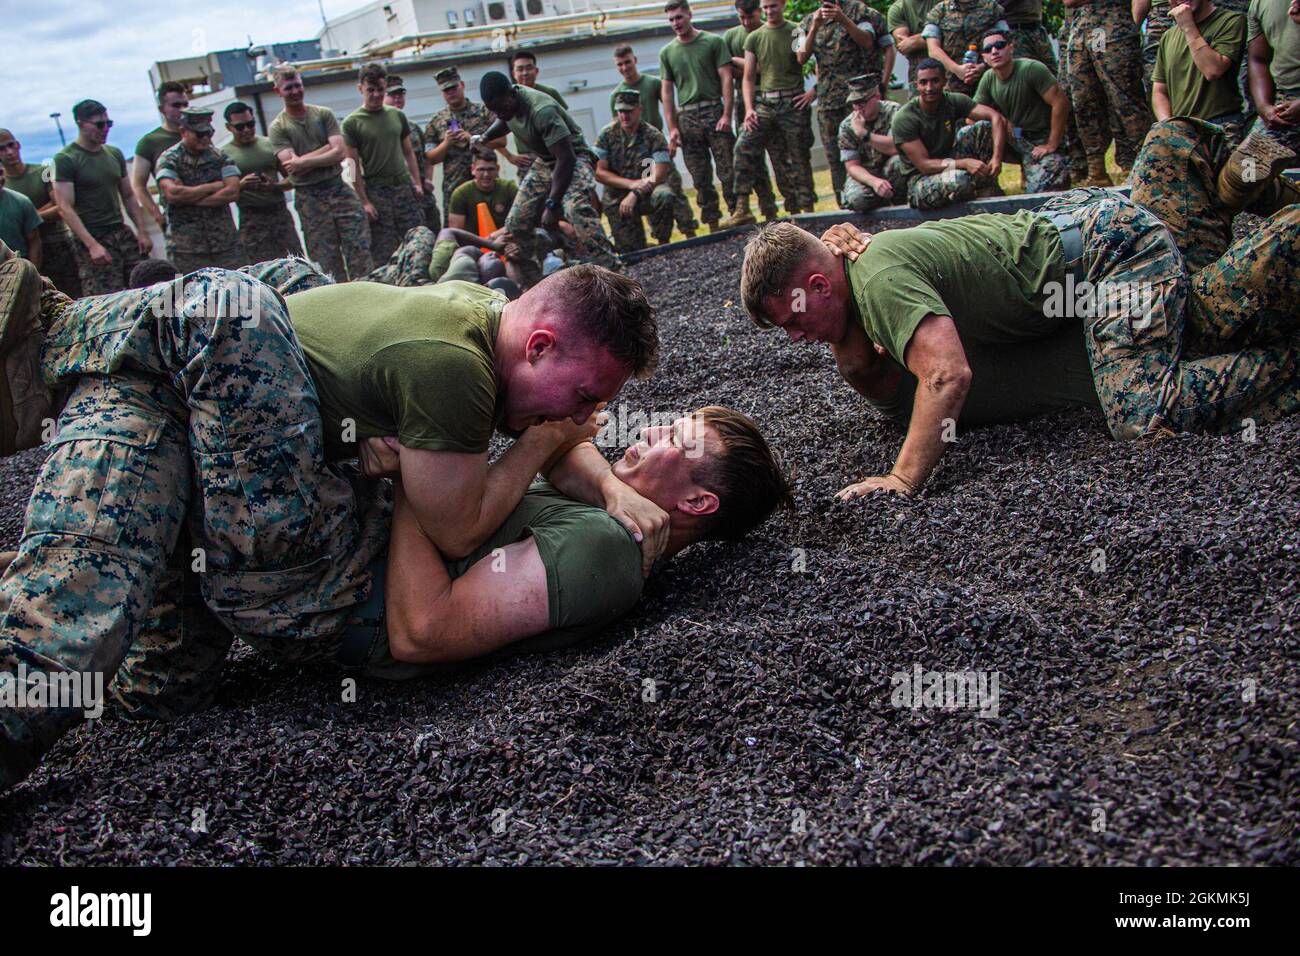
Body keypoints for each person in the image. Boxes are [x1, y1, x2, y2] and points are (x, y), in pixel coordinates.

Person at [0, 244, 663, 788]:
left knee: (158, 696)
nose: (584, 417)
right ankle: (56, 330)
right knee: (239, 306)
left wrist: (608, 484)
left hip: (223, 451)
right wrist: (540, 444)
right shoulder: (455, 366)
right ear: (539, 345)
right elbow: (457, 527)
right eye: (583, 396)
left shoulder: (488, 315)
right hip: (235, 478)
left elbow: (564, 436)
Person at [738, 118, 1299, 500]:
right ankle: (1233, 184)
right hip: (1086, 230)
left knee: (1141, 413)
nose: (796, 337)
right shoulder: (865, 297)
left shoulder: (878, 277)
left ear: (819, 284)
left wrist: (902, 480)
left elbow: (946, 375)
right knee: (1198, 287)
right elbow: (861, 365)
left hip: (1110, 253)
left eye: (793, 319)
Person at [475, 71, 622, 286]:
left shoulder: (542, 110)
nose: (499, 114)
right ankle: (534, 281)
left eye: (501, 108)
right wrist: (485, 137)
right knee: (516, 222)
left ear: (511, 95)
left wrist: (552, 204)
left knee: (575, 209)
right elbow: (505, 120)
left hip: (573, 156)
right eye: (494, 110)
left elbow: (566, 158)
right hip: (545, 160)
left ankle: (614, 274)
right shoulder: (507, 108)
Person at [268, 66, 373, 280]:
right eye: (289, 88)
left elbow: (340, 152)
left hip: (338, 190)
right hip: (310, 199)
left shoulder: (323, 114)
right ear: (278, 91)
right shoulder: (279, 127)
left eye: (298, 85)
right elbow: (291, 167)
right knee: (326, 264)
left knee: (359, 254)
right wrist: (325, 150)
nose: (296, 91)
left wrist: (303, 160)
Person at [723, 0, 817, 226]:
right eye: (765, 7)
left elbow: (807, 59)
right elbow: (748, 77)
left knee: (797, 158)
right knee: (744, 146)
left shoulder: (795, 30)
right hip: (766, 103)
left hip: (793, 102)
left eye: (773, 6)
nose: (769, 11)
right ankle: (742, 206)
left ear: (782, 5)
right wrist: (749, 109)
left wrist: (813, 91)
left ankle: (806, 211)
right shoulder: (754, 38)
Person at [796, 0, 894, 202]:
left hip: (861, 99)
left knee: (871, 150)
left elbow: (867, 41)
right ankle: (845, 203)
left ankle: (887, 195)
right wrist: (814, 27)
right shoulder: (807, 22)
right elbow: (800, 57)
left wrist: (843, 19)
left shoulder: (861, 12)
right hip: (829, 102)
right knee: (835, 157)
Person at [52, 99, 153, 295]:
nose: (105, 129)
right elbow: (64, 207)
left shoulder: (114, 154)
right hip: (93, 237)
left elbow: (128, 195)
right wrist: (92, 245)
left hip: (121, 233)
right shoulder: (66, 159)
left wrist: (142, 231)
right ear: (81, 124)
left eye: (109, 123)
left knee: (146, 289)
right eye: (99, 124)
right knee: (106, 299)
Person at [660, 0, 737, 230]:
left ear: (689, 15)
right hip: (688, 117)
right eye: (671, 19)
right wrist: (672, 127)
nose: (676, 23)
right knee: (700, 175)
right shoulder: (667, 52)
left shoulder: (713, 42)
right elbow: (667, 92)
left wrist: (726, 114)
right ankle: (712, 222)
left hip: (714, 111)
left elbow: (727, 78)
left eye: (679, 17)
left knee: (728, 169)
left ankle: (737, 215)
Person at [890, 58, 1007, 208]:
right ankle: (969, 202)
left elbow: (995, 117)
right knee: (959, 180)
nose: (929, 88)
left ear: (944, 82)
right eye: (923, 82)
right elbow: (925, 165)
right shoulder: (905, 118)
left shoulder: (952, 101)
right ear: (916, 85)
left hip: (949, 163)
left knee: (983, 128)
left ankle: (987, 185)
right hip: (921, 179)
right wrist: (965, 163)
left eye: (935, 81)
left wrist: (997, 158)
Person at [341, 63, 428, 264]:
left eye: (380, 89)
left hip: (403, 187)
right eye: (370, 90)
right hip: (377, 191)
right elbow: (352, 165)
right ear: (360, 89)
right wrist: (364, 201)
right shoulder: (352, 123)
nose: (376, 95)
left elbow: (409, 152)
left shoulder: (397, 115)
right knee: (385, 251)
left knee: (417, 244)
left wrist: (416, 182)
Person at [1063, 0, 1153, 183]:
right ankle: (1096, 171)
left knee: (1126, 101)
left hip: (1114, 28)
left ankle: (1148, 166)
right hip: (1081, 29)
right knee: (1083, 103)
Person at [974, 29, 1072, 193]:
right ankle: (987, 187)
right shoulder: (988, 78)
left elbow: (1060, 103)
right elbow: (971, 116)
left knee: (1045, 187)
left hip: (1040, 139)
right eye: (988, 49)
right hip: (1016, 137)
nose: (994, 51)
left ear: (1011, 48)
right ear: (984, 57)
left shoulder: (1032, 69)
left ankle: (1035, 168)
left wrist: (1051, 144)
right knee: (977, 129)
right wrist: (998, 119)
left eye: (1000, 45)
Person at [153, 108, 244, 272]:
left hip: (225, 246)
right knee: (184, 288)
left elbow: (232, 191)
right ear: (183, 131)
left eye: (209, 133)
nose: (205, 138)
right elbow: (173, 193)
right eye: (199, 134)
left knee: (238, 287)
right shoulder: (169, 159)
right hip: (186, 250)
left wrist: (189, 198)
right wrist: (213, 186)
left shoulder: (220, 157)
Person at [595, 91, 687, 252]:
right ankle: (636, 245)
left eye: (628, 111)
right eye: (620, 111)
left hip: (647, 189)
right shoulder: (606, 135)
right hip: (617, 196)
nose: (624, 116)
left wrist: (636, 192)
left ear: (639, 109)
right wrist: (631, 185)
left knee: (664, 195)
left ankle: (663, 242)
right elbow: (599, 172)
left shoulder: (653, 135)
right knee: (632, 251)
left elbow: (660, 172)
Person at [1152, 0, 1248, 148]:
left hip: (1221, 128)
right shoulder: (1168, 36)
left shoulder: (1230, 21)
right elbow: (1159, 91)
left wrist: (1188, 26)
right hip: (1181, 132)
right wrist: (1167, 127)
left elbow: (1213, 70)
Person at [222, 101, 305, 264]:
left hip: (279, 214)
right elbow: (224, 192)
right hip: (251, 218)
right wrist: (242, 184)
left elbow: (293, 178)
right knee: (259, 267)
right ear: (229, 127)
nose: (246, 130)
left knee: (294, 263)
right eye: (240, 127)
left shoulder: (270, 144)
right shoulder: (224, 154)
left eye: (250, 124)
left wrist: (275, 186)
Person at [0, 129, 81, 296]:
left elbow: (60, 206)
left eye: (11, 145)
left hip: (56, 244)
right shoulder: (3, 184)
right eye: (2, 149)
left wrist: (30, 216)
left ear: (18, 145)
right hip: (22, 251)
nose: (9, 152)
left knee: (69, 295)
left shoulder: (42, 172)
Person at [723, 0, 781, 220]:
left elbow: (766, 68)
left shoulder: (769, 32)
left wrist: (738, 62)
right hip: (744, 101)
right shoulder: (731, 36)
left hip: (769, 99)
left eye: (751, 17)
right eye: (742, 18)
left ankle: (785, 207)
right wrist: (748, 67)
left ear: (759, 12)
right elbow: (730, 71)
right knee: (749, 155)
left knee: (777, 153)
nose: (746, 22)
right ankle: (760, 207)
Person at [424, 66, 499, 224]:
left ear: (462, 85)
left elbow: (501, 141)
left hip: (486, 182)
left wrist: (473, 138)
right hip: (454, 186)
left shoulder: (483, 111)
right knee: (456, 230)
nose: (451, 93)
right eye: (446, 90)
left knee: (493, 224)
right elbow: (431, 158)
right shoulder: (436, 121)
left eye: (454, 88)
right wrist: (446, 143)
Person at [132, 82, 187, 257]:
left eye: (185, 104)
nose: (182, 109)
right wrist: (157, 215)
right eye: (176, 105)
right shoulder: (150, 142)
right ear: (162, 109)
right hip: (177, 221)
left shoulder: (198, 135)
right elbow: (138, 185)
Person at [837, 73, 905, 212]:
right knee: (857, 199)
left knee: (900, 162)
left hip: (890, 168)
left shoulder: (894, 112)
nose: (858, 108)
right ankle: (881, 208)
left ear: (877, 97)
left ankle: (901, 204)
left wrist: (864, 134)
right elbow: (852, 166)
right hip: (866, 174)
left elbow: (896, 148)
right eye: (854, 103)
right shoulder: (847, 126)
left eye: (862, 102)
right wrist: (874, 182)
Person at [385, 75, 440, 231]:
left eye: (400, 94)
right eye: (392, 95)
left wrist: (428, 178)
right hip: (397, 199)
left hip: (422, 195)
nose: (397, 98)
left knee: (435, 234)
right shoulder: (377, 128)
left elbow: (427, 156)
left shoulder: (413, 128)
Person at [922, 0, 1010, 96]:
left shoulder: (992, 8)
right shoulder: (939, 11)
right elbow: (933, 49)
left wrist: (983, 66)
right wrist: (957, 69)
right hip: (952, 84)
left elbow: (1005, 42)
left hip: (989, 81)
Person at [446, 148, 518, 234]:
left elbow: (519, 222)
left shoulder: (509, 188)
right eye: (481, 169)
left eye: (490, 169)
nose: (486, 174)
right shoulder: (461, 194)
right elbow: (456, 231)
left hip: (505, 238)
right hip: (472, 241)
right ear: (473, 169)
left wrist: (494, 237)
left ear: (497, 169)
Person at [890, 0, 943, 92]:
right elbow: (904, 45)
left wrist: (916, 41)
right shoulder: (898, 8)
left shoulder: (943, 3)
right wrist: (936, 36)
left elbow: (952, 35)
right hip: (919, 74)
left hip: (948, 67)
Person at [610, 45, 665, 131]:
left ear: (635, 60)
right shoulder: (615, 95)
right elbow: (616, 126)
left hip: (657, 137)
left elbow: (670, 108)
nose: (625, 68)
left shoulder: (654, 83)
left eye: (627, 62)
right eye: (620, 64)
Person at [0, 173, 41, 265]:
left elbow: (34, 241)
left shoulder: (22, 202)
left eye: (1, 173)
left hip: (17, 266)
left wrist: (32, 270)